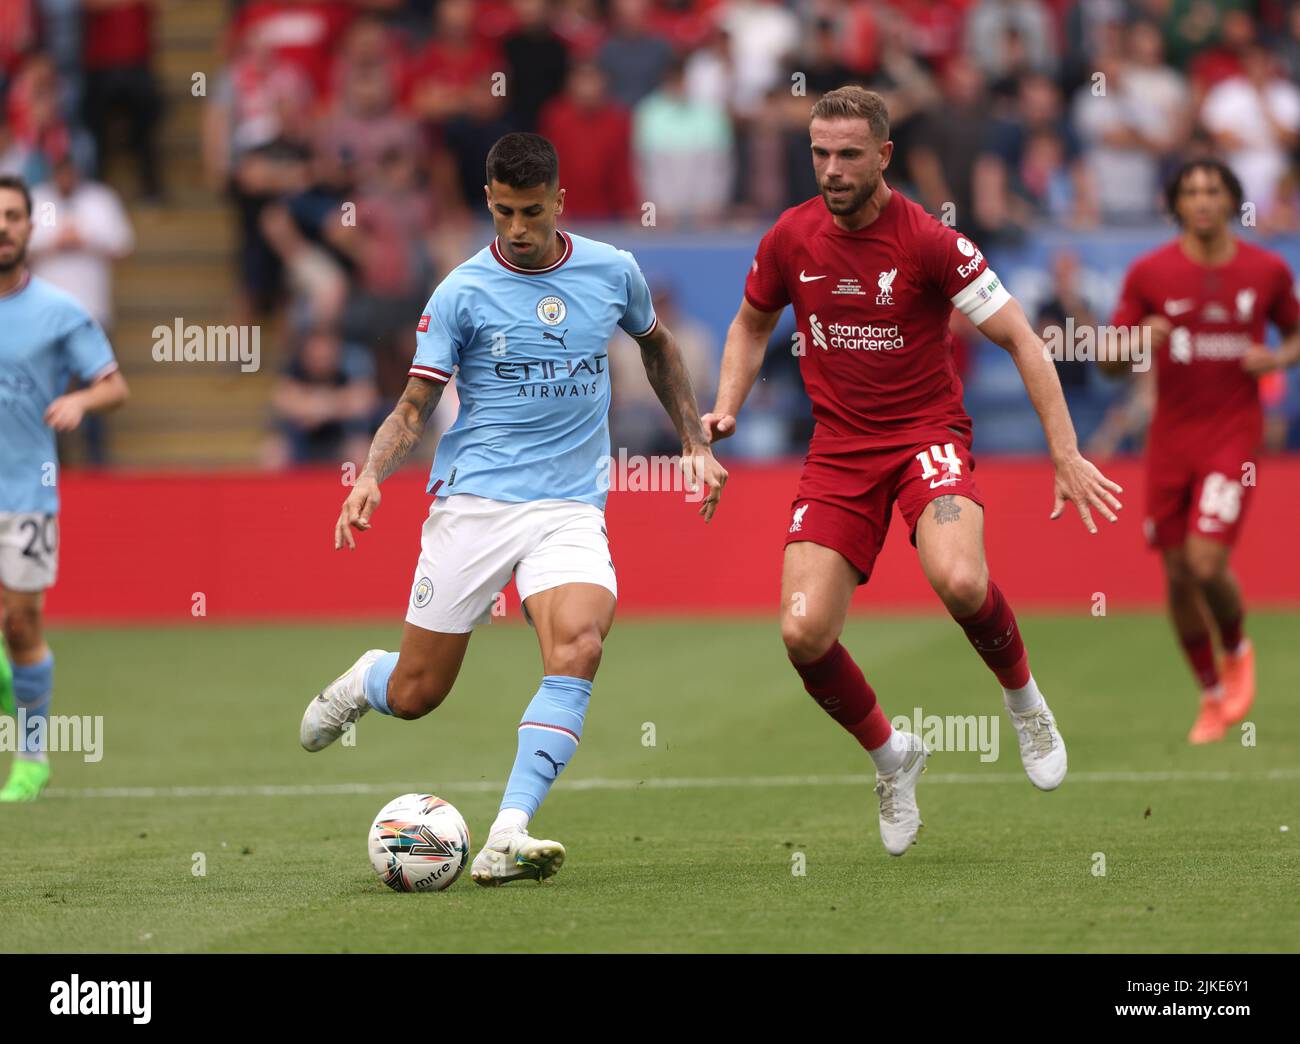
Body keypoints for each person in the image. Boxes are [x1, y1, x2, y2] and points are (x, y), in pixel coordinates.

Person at [702, 86, 1121, 856]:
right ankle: (892, 757)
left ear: (884, 156)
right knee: (801, 633)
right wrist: (726, 407)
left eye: (849, 155)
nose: (831, 169)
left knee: (960, 580)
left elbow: (1025, 342)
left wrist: (1065, 452)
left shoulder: (932, 241)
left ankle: (1025, 702)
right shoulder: (790, 237)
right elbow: (750, 324)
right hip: (837, 452)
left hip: (925, 436)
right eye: (821, 154)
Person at [297, 133, 726, 884]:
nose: (517, 229)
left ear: (559, 200)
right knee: (418, 693)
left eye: (531, 212)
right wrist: (369, 477)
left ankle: (508, 832)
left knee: (580, 648)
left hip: (568, 505)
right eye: (503, 213)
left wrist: (693, 440)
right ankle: (369, 679)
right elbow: (414, 402)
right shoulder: (460, 290)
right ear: (488, 203)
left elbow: (657, 349)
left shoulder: (612, 271)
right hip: (474, 504)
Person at [1105, 158, 1300, 743]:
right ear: (1178, 205)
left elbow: (1295, 331)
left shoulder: (1264, 270)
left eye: (1213, 190)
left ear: (1232, 200)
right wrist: (1137, 340)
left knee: (1204, 561)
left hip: (1231, 438)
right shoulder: (1149, 273)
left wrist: (1279, 358)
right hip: (1170, 441)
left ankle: (1237, 648)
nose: (1202, 200)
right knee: (1176, 577)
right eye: (1191, 191)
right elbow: (1108, 360)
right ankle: (1212, 695)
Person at [0, 174, 128, 802]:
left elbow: (114, 384)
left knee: (18, 627)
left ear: (30, 227)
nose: (3, 225)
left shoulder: (58, 310)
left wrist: (80, 398)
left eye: (14, 216)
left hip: (26, 494)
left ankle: (30, 756)